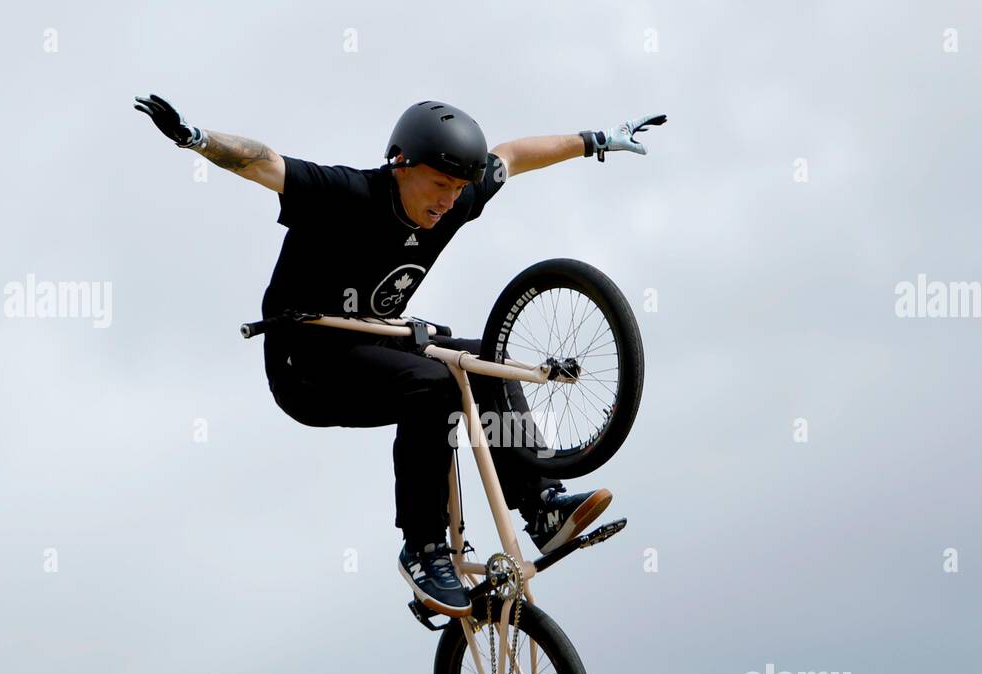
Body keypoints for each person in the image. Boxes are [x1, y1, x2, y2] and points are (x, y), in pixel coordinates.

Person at [135, 95, 666, 618]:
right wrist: (195, 138)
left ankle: (541, 508)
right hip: (306, 361)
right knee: (433, 386)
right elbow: (263, 163)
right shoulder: (347, 194)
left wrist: (595, 140)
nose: (447, 201)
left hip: (373, 343)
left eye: (458, 189)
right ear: (401, 166)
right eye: (438, 185)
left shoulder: (458, 197)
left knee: (486, 361)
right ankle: (424, 548)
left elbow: (515, 154)